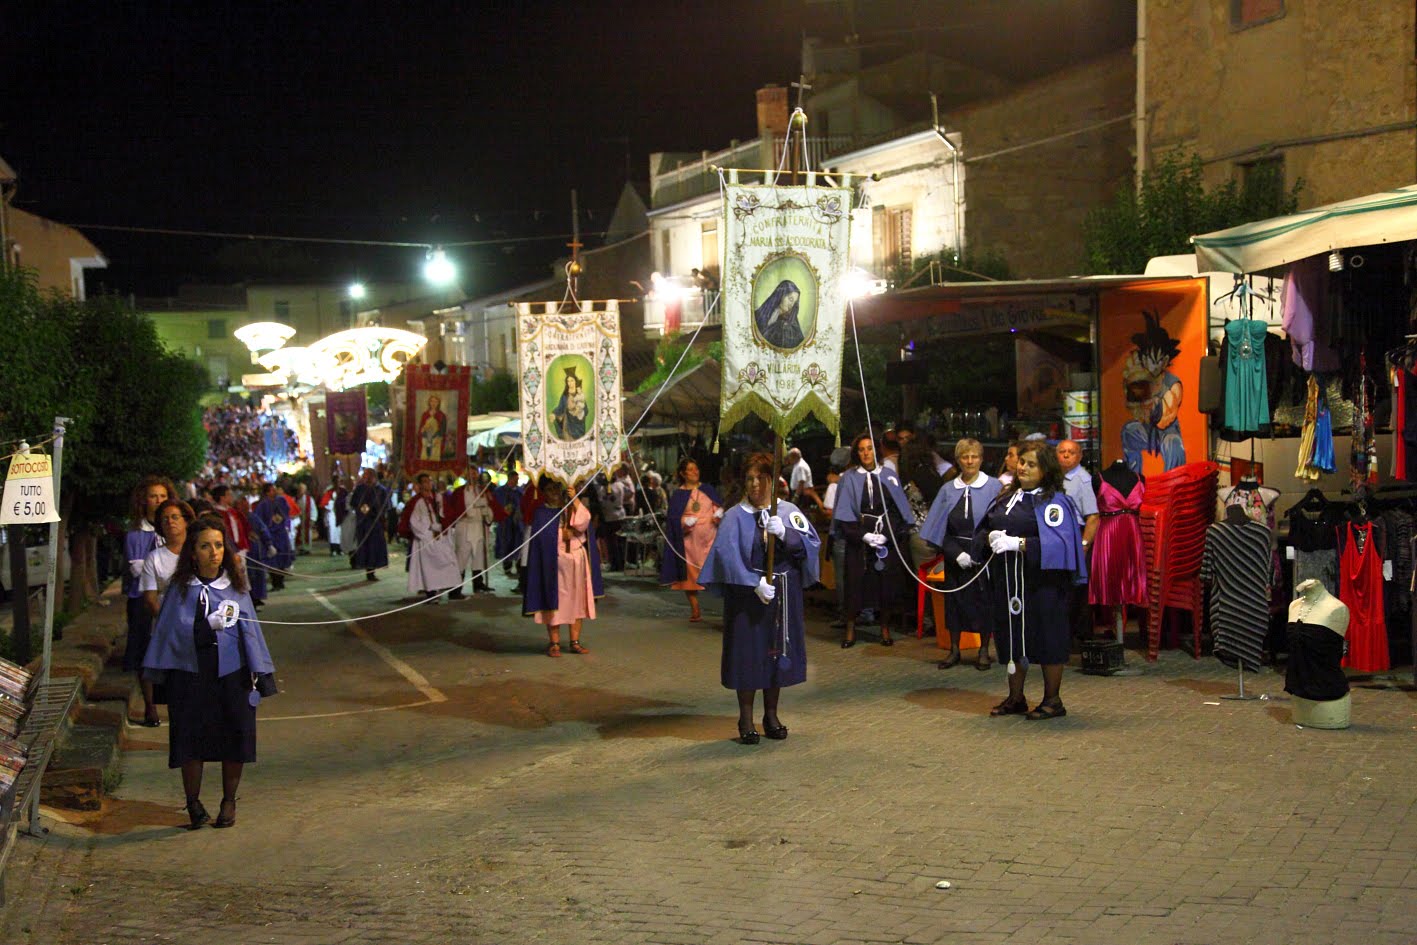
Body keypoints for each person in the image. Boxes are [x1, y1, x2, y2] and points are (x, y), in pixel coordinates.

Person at [142, 516, 277, 829]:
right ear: (193, 552)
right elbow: (169, 633)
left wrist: (260, 673)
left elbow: (251, 634)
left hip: (232, 675)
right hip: (190, 676)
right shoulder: (178, 590)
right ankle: (192, 802)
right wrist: (205, 626)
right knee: (190, 739)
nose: (213, 552)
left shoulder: (237, 587)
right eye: (205, 546)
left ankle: (229, 801)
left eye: (218, 545)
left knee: (235, 735)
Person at [698, 452, 819, 744]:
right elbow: (726, 558)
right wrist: (753, 583)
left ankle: (772, 714)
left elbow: (810, 546)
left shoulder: (787, 511)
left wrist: (787, 534)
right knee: (749, 656)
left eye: (760, 478)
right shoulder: (733, 517)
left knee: (775, 654)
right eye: (749, 479)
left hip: (781, 596)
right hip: (748, 599)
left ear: (771, 480)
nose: (754, 484)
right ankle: (745, 717)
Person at [975, 441, 1087, 721]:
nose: (1023, 467)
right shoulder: (1006, 496)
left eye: (1031, 464)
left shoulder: (1054, 503)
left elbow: (1062, 544)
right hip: (1009, 583)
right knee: (1012, 638)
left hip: (1043, 584)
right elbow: (986, 527)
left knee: (1048, 637)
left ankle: (1053, 700)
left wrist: (1020, 543)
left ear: (1045, 469)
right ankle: (1016, 698)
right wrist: (988, 538)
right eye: (1021, 462)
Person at [920, 438, 1002, 669]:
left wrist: (980, 549)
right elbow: (938, 527)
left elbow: (996, 523)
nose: (970, 461)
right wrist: (955, 553)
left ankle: (984, 651)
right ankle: (954, 650)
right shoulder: (947, 490)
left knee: (984, 603)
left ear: (981, 459)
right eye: (965, 457)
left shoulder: (994, 486)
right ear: (958, 460)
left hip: (982, 556)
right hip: (955, 554)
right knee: (954, 604)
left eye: (974, 456)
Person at [523, 478, 602, 656]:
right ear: (544, 492)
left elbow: (584, 521)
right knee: (554, 602)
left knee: (577, 601)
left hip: (576, 560)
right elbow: (542, 537)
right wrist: (560, 534)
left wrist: (574, 499)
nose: (555, 494)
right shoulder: (542, 512)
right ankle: (554, 643)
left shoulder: (570, 507)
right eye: (550, 490)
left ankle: (575, 641)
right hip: (554, 562)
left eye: (557, 489)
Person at [123, 475, 175, 727]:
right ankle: (150, 707)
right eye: (154, 496)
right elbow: (138, 570)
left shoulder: (174, 528)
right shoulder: (136, 533)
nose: (158, 501)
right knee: (146, 653)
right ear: (144, 500)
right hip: (143, 601)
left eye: (163, 496)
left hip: (175, 598)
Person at [659, 458, 723, 623]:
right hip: (690, 543)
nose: (695, 472)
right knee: (689, 575)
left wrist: (719, 514)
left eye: (696, 468)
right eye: (691, 469)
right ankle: (695, 607)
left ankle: (726, 607)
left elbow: (718, 506)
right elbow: (673, 519)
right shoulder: (678, 495)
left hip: (711, 539)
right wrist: (683, 522)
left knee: (716, 571)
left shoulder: (708, 489)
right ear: (683, 473)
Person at [404, 473, 460, 602]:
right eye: (424, 482)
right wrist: (429, 527)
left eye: (429, 481)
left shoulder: (438, 498)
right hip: (425, 538)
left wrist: (442, 525)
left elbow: (446, 514)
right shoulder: (416, 502)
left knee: (447, 560)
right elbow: (413, 522)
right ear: (419, 485)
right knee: (428, 568)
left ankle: (447, 588)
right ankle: (430, 593)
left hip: (440, 537)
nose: (427, 484)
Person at [445, 470, 496, 597]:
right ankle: (455, 590)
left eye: (475, 474)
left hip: (478, 527)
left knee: (479, 558)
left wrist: (486, 511)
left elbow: (489, 506)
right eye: (470, 473)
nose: (473, 476)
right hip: (465, 526)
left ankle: (478, 584)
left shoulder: (482, 490)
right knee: (461, 558)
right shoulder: (460, 492)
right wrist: (474, 507)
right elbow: (458, 509)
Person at [141, 499, 196, 615]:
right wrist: (166, 623)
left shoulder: (199, 550)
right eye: (165, 519)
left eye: (175, 517)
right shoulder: (153, 558)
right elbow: (151, 599)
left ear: (186, 521)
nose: (170, 522)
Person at [349, 467, 390, 582]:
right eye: (365, 475)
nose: (366, 478)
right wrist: (362, 508)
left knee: (375, 547)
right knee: (365, 546)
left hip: (376, 523)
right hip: (364, 523)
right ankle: (367, 569)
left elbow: (386, 505)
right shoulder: (360, 489)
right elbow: (354, 502)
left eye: (368, 475)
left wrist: (380, 514)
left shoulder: (381, 490)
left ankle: (372, 570)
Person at [251, 483, 294, 591]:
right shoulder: (262, 505)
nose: (274, 492)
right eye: (272, 490)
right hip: (271, 535)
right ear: (267, 492)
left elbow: (286, 512)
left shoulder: (281, 501)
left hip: (281, 534)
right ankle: (276, 582)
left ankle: (281, 580)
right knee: (273, 559)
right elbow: (259, 520)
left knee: (282, 557)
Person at [754, 279, 805, 350]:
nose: (792, 305)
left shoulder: (790, 325)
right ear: (781, 294)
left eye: (794, 302)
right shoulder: (761, 313)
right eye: (790, 299)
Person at [493, 470, 526, 579]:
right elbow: (496, 505)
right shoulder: (500, 491)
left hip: (517, 523)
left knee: (517, 544)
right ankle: (507, 567)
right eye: (514, 479)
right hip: (505, 523)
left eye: (517, 480)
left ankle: (517, 566)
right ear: (509, 479)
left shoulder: (520, 491)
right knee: (505, 543)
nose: (516, 482)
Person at [551, 368, 589, 441]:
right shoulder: (565, 394)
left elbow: (586, 410)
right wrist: (554, 413)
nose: (570, 383)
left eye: (572, 380)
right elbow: (560, 407)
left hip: (578, 424)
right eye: (568, 381)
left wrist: (579, 411)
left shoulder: (579, 394)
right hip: (567, 423)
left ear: (575, 381)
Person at [419, 394, 449, 460]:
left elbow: (443, 429)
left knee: (434, 455)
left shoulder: (441, 415)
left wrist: (437, 437)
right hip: (425, 439)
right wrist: (424, 431)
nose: (433, 403)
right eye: (432, 401)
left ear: (438, 403)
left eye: (435, 401)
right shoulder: (425, 414)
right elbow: (421, 428)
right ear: (429, 402)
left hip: (436, 440)